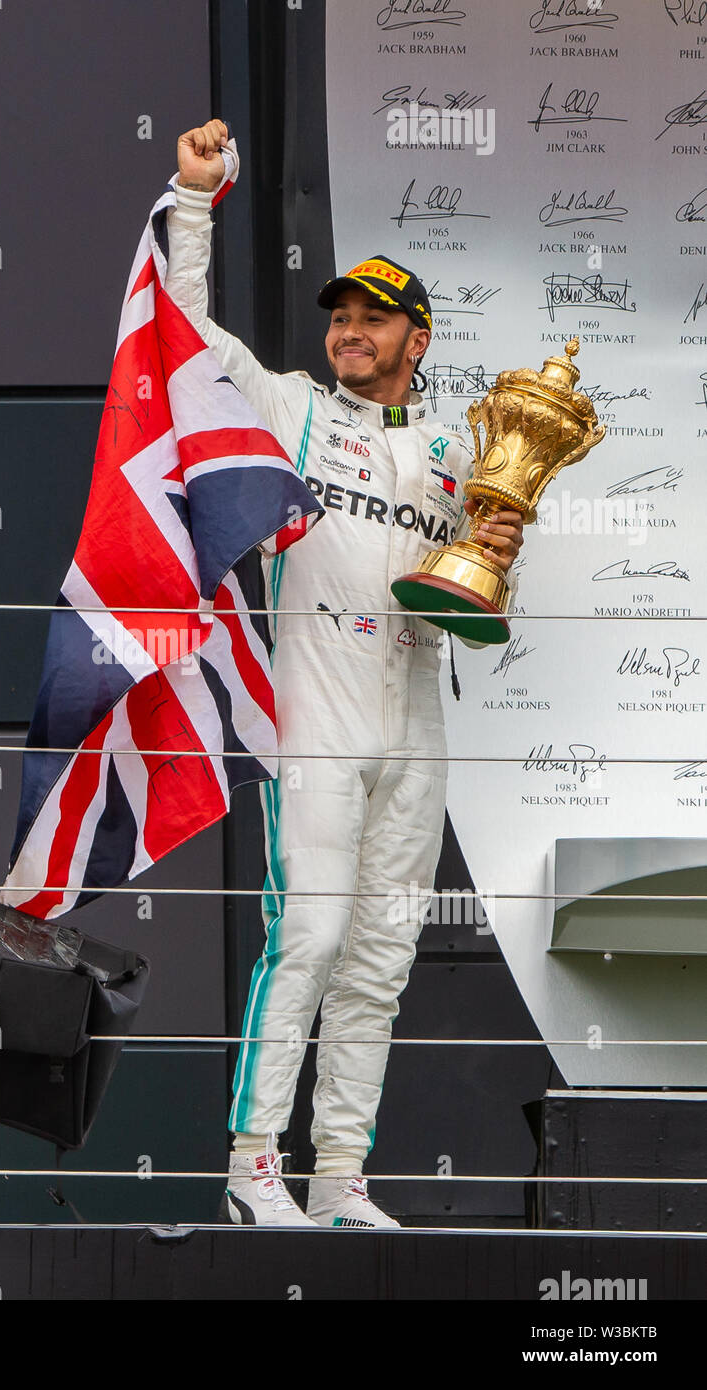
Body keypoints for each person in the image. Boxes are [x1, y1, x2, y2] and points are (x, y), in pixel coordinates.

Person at [167, 120, 523, 1227]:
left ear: (417, 337)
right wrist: (192, 201)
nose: (348, 329)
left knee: (380, 957)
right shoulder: (293, 406)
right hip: (315, 713)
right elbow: (184, 339)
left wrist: (504, 552)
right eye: (340, 314)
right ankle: (251, 1166)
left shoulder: (459, 457)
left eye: (373, 316)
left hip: (416, 726)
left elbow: (479, 626)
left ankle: (339, 1178)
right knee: (310, 937)